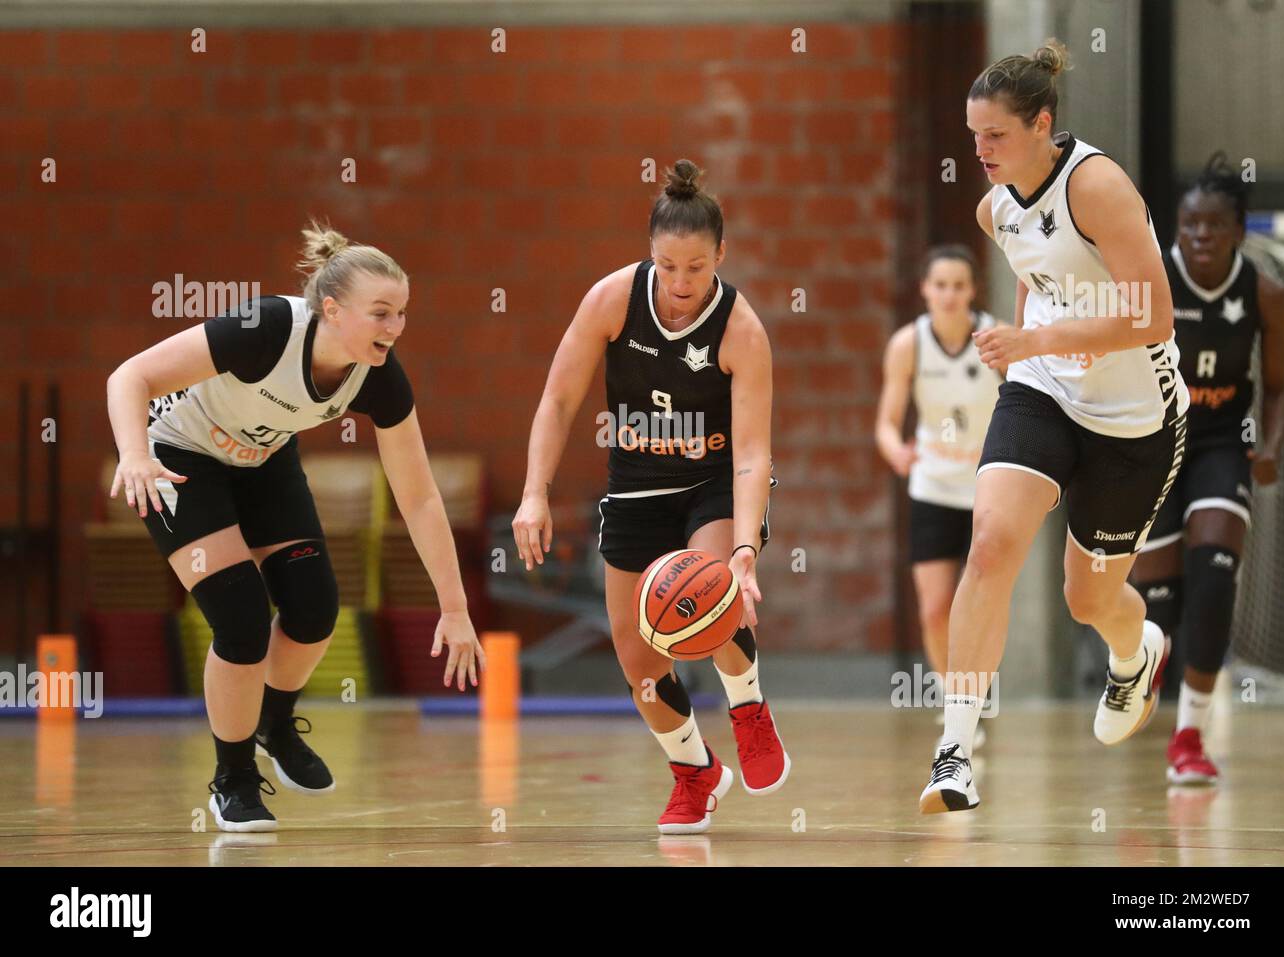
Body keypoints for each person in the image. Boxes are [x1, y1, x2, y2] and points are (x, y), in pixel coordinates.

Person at [107, 222, 484, 831]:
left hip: (261, 459)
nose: (395, 328)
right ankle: (232, 778)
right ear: (332, 310)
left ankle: (274, 723)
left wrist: (455, 606)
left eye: (403, 314)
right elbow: (129, 377)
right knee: (241, 618)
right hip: (178, 457)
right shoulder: (265, 329)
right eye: (381, 313)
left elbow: (417, 497)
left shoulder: (380, 377)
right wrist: (133, 456)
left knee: (314, 609)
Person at [920, 39, 1190, 813]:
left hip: (1135, 414)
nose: (981, 152)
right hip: (1044, 390)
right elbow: (1036, 282)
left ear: (1043, 124)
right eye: (973, 137)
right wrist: (1022, 356)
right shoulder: (994, 202)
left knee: (1087, 600)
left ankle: (1134, 651)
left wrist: (1034, 340)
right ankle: (955, 752)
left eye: (996, 136)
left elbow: (1153, 314)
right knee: (993, 541)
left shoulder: (1097, 186)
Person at [512, 160, 789, 834]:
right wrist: (533, 493)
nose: (681, 282)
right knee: (640, 668)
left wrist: (746, 549)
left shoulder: (741, 329)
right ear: (651, 255)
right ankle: (695, 774)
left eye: (696, 266)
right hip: (635, 489)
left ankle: (748, 708)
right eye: (668, 266)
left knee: (713, 594)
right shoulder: (611, 300)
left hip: (712, 484)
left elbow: (753, 454)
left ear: (720, 255)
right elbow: (557, 399)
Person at [1131, 153, 1284, 785]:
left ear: (1238, 231)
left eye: (1214, 226)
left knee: (1216, 578)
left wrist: (1272, 444)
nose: (1200, 236)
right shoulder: (1153, 284)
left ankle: (1190, 735)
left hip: (1223, 443)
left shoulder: (1268, 294)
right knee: (1157, 606)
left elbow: (1275, 387)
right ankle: (1143, 674)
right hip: (1154, 441)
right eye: (1189, 224)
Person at [876, 244, 1002, 750]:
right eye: (940, 285)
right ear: (925, 290)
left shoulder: (994, 338)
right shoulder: (908, 344)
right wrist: (896, 453)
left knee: (980, 603)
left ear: (973, 290)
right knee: (934, 609)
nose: (949, 295)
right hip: (931, 483)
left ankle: (974, 697)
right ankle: (958, 708)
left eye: (959, 285)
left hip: (986, 484)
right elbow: (886, 423)